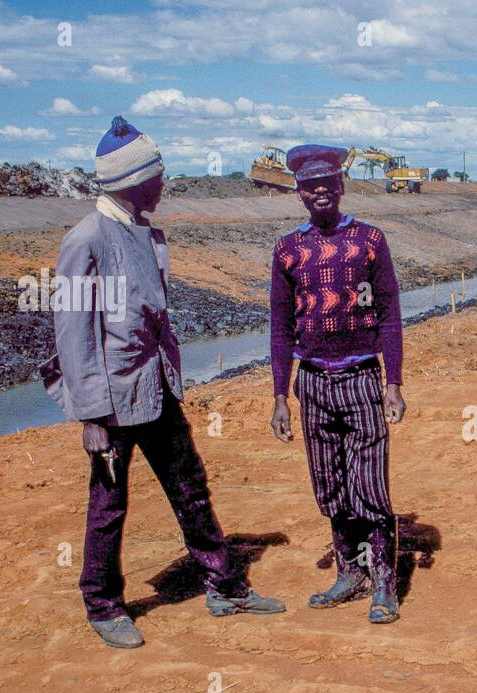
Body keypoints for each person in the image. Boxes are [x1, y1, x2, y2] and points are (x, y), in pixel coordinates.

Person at [41, 116, 285, 649]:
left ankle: (224, 586)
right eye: (158, 176)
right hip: (111, 400)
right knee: (109, 505)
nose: (164, 185)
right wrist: (91, 417)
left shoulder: (146, 233)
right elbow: (73, 336)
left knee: (190, 488)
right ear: (132, 181)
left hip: (155, 388)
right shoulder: (85, 240)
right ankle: (103, 605)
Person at [268, 145, 406, 624]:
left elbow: (389, 314)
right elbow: (280, 327)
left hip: (363, 380)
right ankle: (349, 573)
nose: (320, 190)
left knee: (370, 485)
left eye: (328, 182)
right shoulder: (288, 249)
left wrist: (394, 382)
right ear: (299, 193)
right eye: (310, 185)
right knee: (330, 484)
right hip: (313, 386)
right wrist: (279, 396)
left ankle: (384, 583)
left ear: (342, 187)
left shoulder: (369, 240)